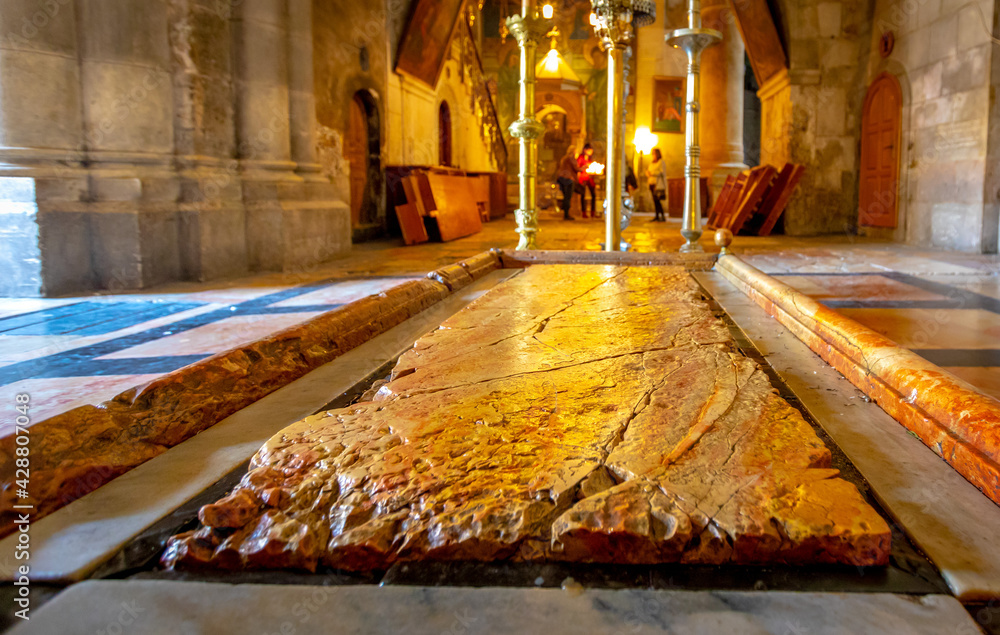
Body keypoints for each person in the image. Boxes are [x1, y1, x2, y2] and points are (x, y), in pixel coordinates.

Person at [556, 146, 581, 221]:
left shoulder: (564, 158)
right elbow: (576, 169)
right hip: (569, 179)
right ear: (574, 152)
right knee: (568, 197)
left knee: (565, 197)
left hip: (561, 179)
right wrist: (585, 167)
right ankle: (567, 215)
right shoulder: (572, 158)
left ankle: (566, 214)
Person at [646, 148, 667, 221]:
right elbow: (649, 170)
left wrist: (653, 173)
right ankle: (657, 216)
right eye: (652, 153)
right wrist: (648, 173)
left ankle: (662, 216)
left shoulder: (661, 162)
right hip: (651, 183)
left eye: (654, 153)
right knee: (655, 201)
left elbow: (661, 172)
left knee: (658, 200)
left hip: (657, 183)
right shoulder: (651, 163)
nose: (653, 155)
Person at [577, 144, 597, 219]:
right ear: (585, 150)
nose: (591, 152)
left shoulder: (590, 158)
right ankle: (584, 212)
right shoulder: (581, 158)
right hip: (583, 178)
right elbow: (578, 167)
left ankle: (593, 212)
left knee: (593, 195)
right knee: (583, 195)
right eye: (589, 150)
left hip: (590, 178)